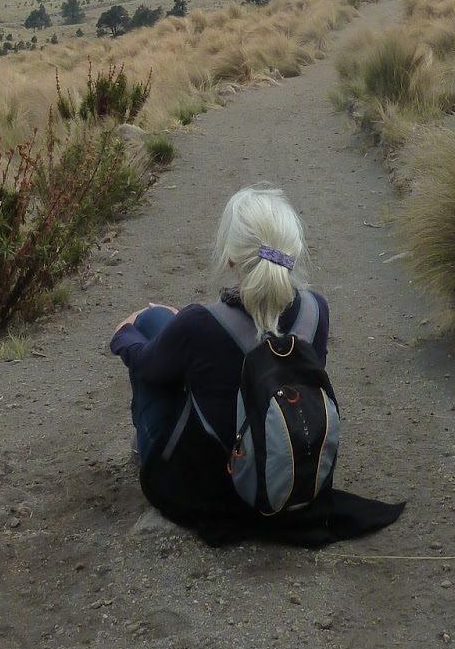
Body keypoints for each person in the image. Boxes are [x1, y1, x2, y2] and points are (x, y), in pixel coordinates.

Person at [109, 185, 330, 519]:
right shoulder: (316, 311)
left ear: (230, 258)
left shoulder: (200, 323)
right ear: (291, 254)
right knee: (166, 323)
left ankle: (147, 448)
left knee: (153, 334)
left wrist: (124, 333)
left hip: (218, 489)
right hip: (289, 479)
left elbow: (144, 365)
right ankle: (164, 322)